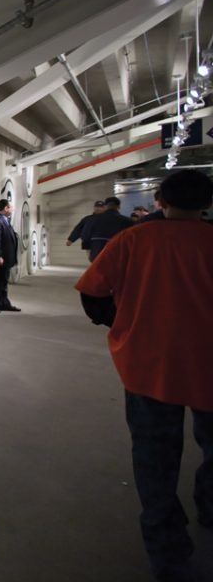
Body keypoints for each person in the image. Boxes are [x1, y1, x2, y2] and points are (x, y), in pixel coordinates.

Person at [75, 169, 213, 582]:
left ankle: (167, 553)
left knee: (155, 461)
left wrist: (119, 321)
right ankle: (209, 507)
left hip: (148, 366)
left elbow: (92, 290)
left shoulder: (135, 240)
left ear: (161, 201)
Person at [82, 196, 132, 261]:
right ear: (119, 207)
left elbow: (85, 236)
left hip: (97, 254)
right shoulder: (127, 221)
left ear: (105, 206)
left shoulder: (92, 220)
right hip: (118, 255)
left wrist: (89, 253)